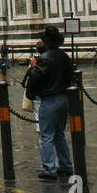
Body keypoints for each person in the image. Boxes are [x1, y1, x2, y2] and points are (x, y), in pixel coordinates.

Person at [25, 25, 75, 181]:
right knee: (59, 134)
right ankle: (66, 165)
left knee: (46, 136)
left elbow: (36, 77)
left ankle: (49, 168)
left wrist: (33, 67)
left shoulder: (45, 58)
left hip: (50, 100)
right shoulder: (64, 57)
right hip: (64, 98)